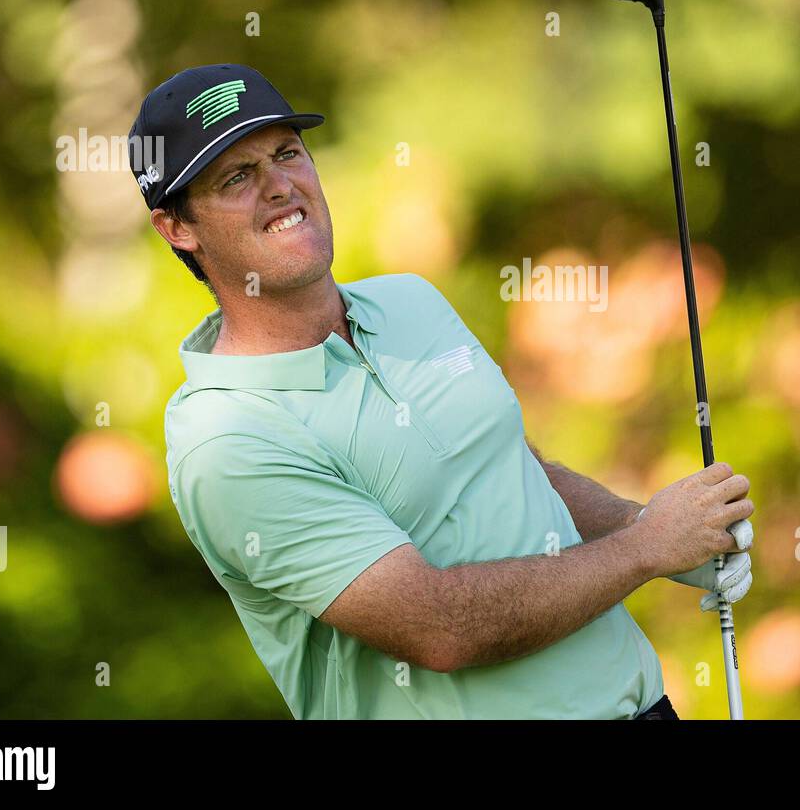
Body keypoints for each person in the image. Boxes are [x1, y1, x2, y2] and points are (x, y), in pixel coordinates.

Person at [129, 63, 755, 719]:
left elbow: (509, 466)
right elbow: (438, 627)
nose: (280, 187)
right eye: (237, 177)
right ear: (178, 227)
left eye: (287, 153)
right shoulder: (228, 441)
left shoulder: (411, 303)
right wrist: (648, 547)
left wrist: (650, 526)